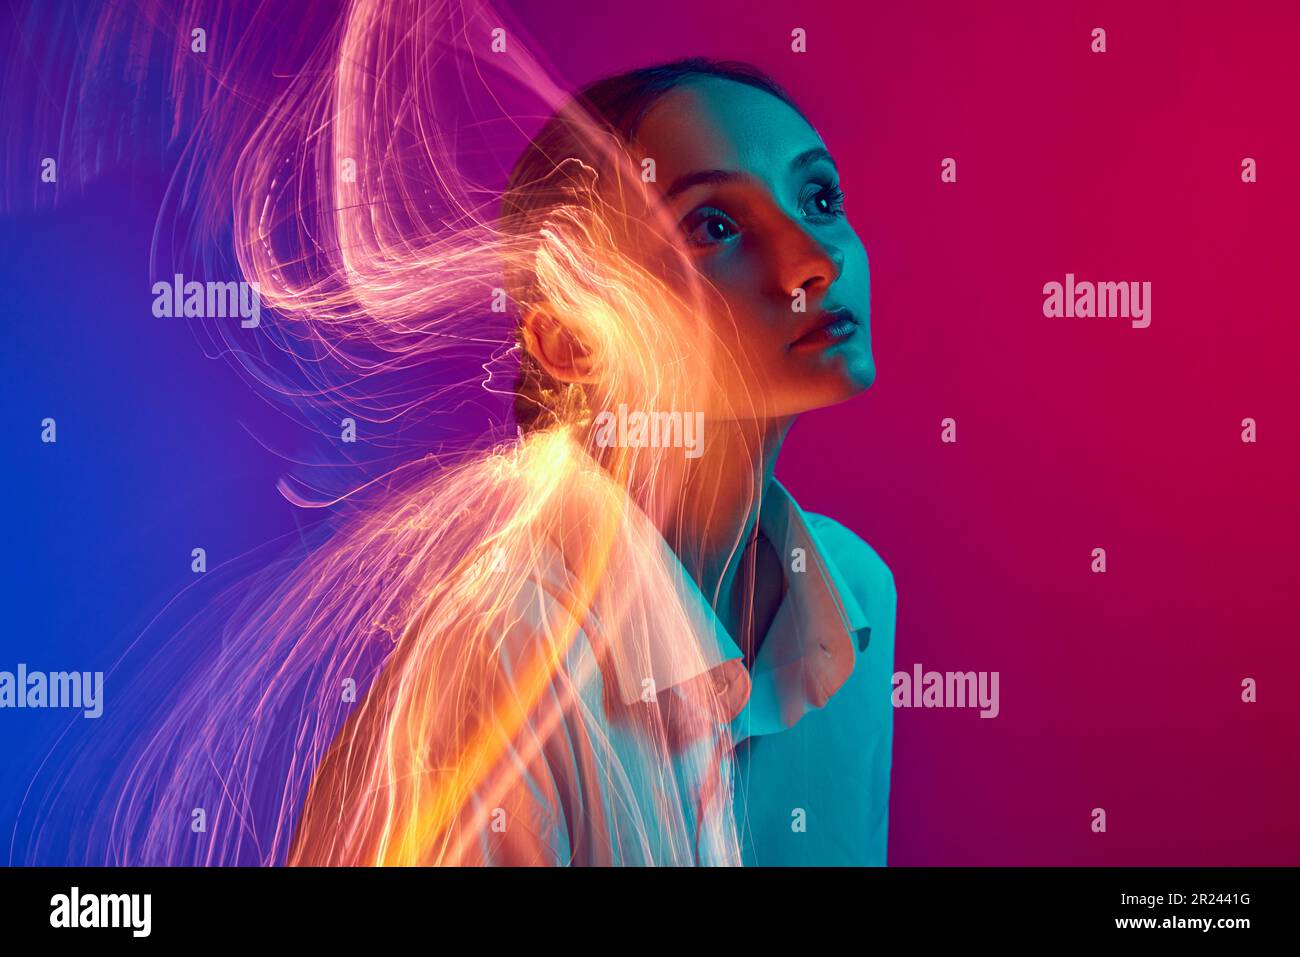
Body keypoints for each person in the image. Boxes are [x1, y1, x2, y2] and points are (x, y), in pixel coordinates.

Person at [288, 58, 897, 867]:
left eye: (819, 199)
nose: (812, 257)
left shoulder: (856, 592)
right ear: (571, 340)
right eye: (713, 225)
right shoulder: (499, 659)